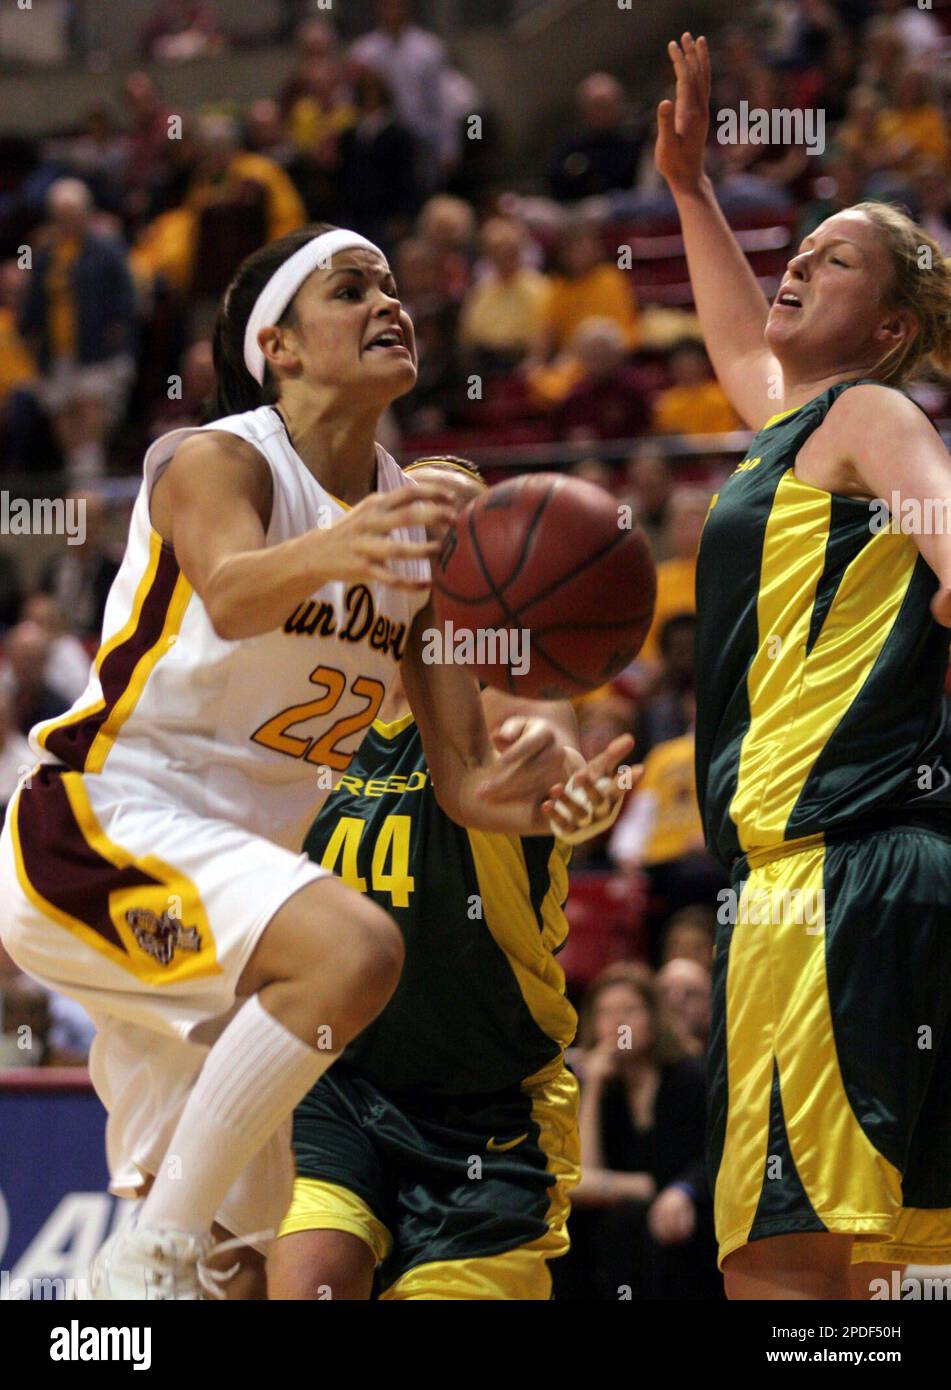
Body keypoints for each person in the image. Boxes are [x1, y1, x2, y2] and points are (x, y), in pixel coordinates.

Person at [0, 223, 574, 1300]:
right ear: (282, 346)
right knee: (359, 949)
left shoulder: (414, 533)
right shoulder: (212, 458)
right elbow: (234, 586)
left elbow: (462, 775)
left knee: (242, 1278)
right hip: (98, 829)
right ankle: (149, 1250)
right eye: (351, 290)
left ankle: (151, 1270)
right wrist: (357, 538)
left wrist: (542, 794)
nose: (388, 303)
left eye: (393, 288)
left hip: (236, 913)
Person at [656, 33, 951, 1300]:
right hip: (812, 887)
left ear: (887, 326)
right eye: (803, 245)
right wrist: (692, 192)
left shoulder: (874, 415)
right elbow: (743, 359)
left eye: (836, 260)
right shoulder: (797, 424)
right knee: (867, 1268)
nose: (800, 263)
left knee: (794, 1268)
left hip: (840, 873)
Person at [269, 457, 633, 1301]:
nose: (426, 550)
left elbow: (556, 760)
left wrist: (576, 799)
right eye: (410, 522)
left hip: (490, 1107)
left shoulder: (512, 698)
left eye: (454, 534)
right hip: (335, 1080)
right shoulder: (314, 706)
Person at [564, 962, 719, 1300]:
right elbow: (584, 1175)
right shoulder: (597, 1087)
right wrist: (590, 1090)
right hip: (624, 1218)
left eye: (630, 1010)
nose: (617, 1023)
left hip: (688, 1209)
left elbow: (711, 1157)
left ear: (653, 1017)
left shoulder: (689, 1076)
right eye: (604, 1012)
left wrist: (668, 1189)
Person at [19, 179, 137, 480]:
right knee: (62, 411)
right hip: (57, 350)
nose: (66, 221)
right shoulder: (47, 256)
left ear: (86, 213)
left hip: (98, 350)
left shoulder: (108, 251)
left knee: (91, 405)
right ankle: (79, 477)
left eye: (72, 213)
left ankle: (89, 481)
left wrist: (117, 332)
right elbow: (32, 303)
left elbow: (126, 297)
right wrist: (28, 336)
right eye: (60, 215)